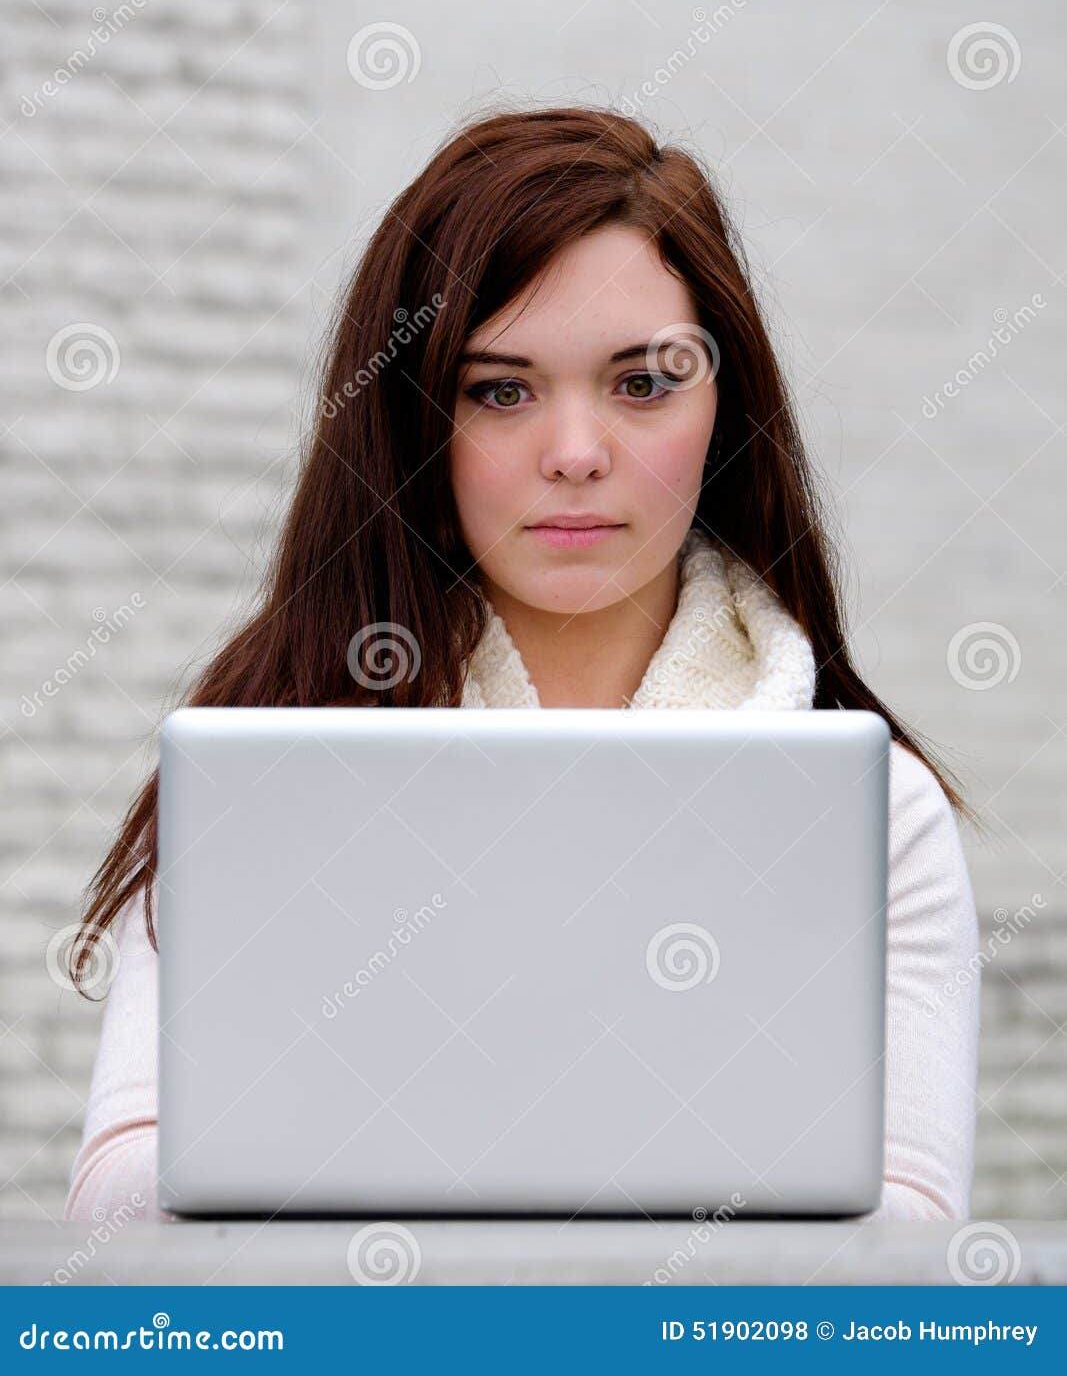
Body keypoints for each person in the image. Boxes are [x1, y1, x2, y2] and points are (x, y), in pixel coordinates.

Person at [65, 106, 980, 1223]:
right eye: (499, 390)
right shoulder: (270, 775)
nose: (576, 454)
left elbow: (901, 1245)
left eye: (642, 383)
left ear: (724, 408)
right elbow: (119, 1202)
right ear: (414, 423)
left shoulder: (872, 818)